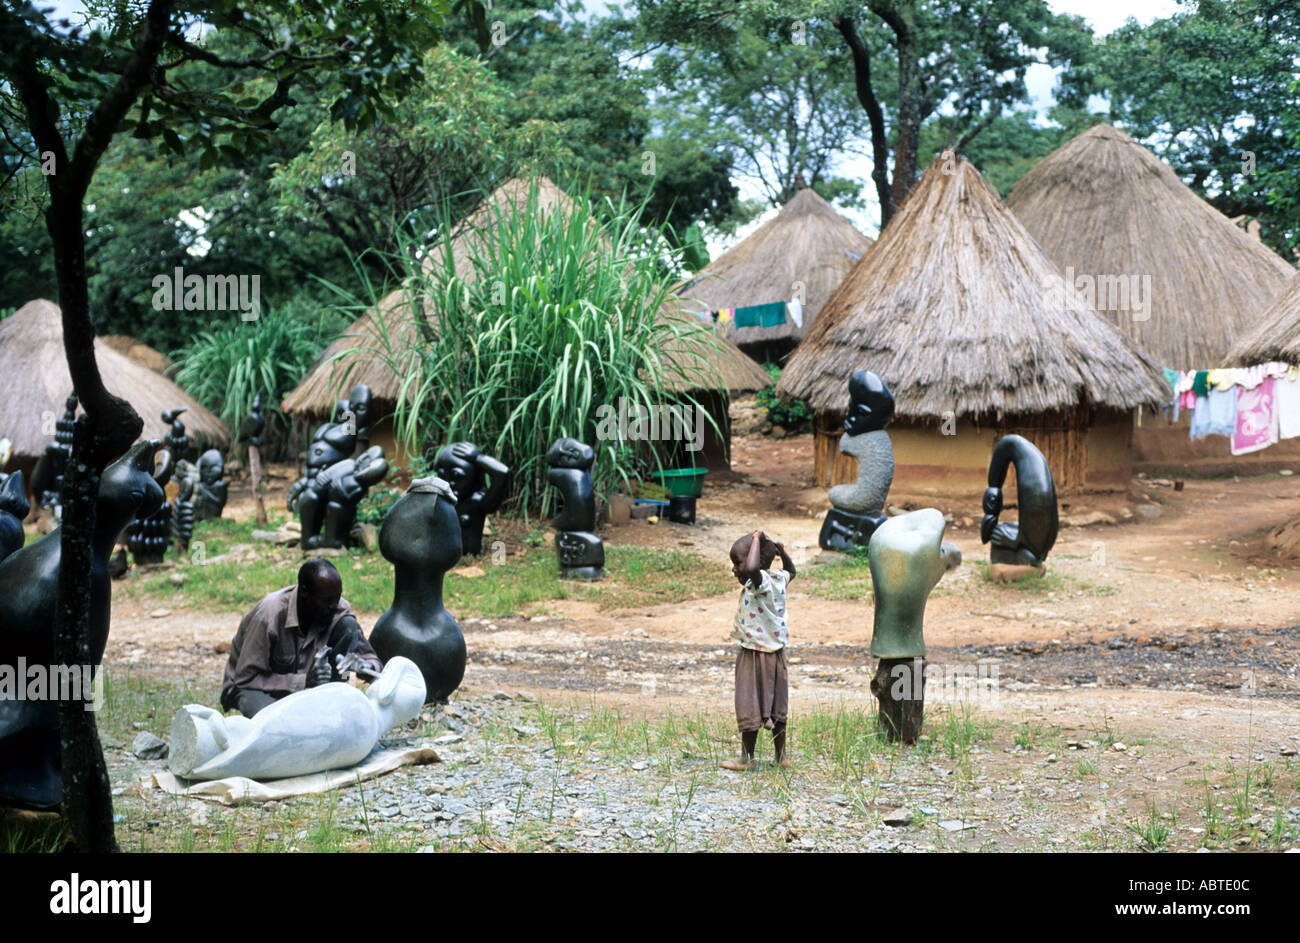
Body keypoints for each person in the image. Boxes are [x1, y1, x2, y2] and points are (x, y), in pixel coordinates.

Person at [220, 558, 382, 718]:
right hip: (255, 688)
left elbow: (374, 662)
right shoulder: (269, 615)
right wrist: (303, 681)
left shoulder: (339, 611)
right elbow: (246, 679)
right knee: (279, 725)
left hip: (310, 691)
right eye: (326, 600)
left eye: (337, 598)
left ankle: (330, 702)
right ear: (304, 592)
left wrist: (365, 666)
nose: (334, 605)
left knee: (348, 625)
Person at [722, 530, 796, 771]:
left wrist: (756, 539)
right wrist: (782, 553)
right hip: (776, 656)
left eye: (737, 562)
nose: (734, 569)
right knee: (777, 706)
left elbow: (753, 568)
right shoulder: (778, 579)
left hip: (753, 654)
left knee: (749, 702)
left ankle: (747, 758)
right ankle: (781, 756)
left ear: (756, 562)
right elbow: (792, 571)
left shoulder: (760, 581)